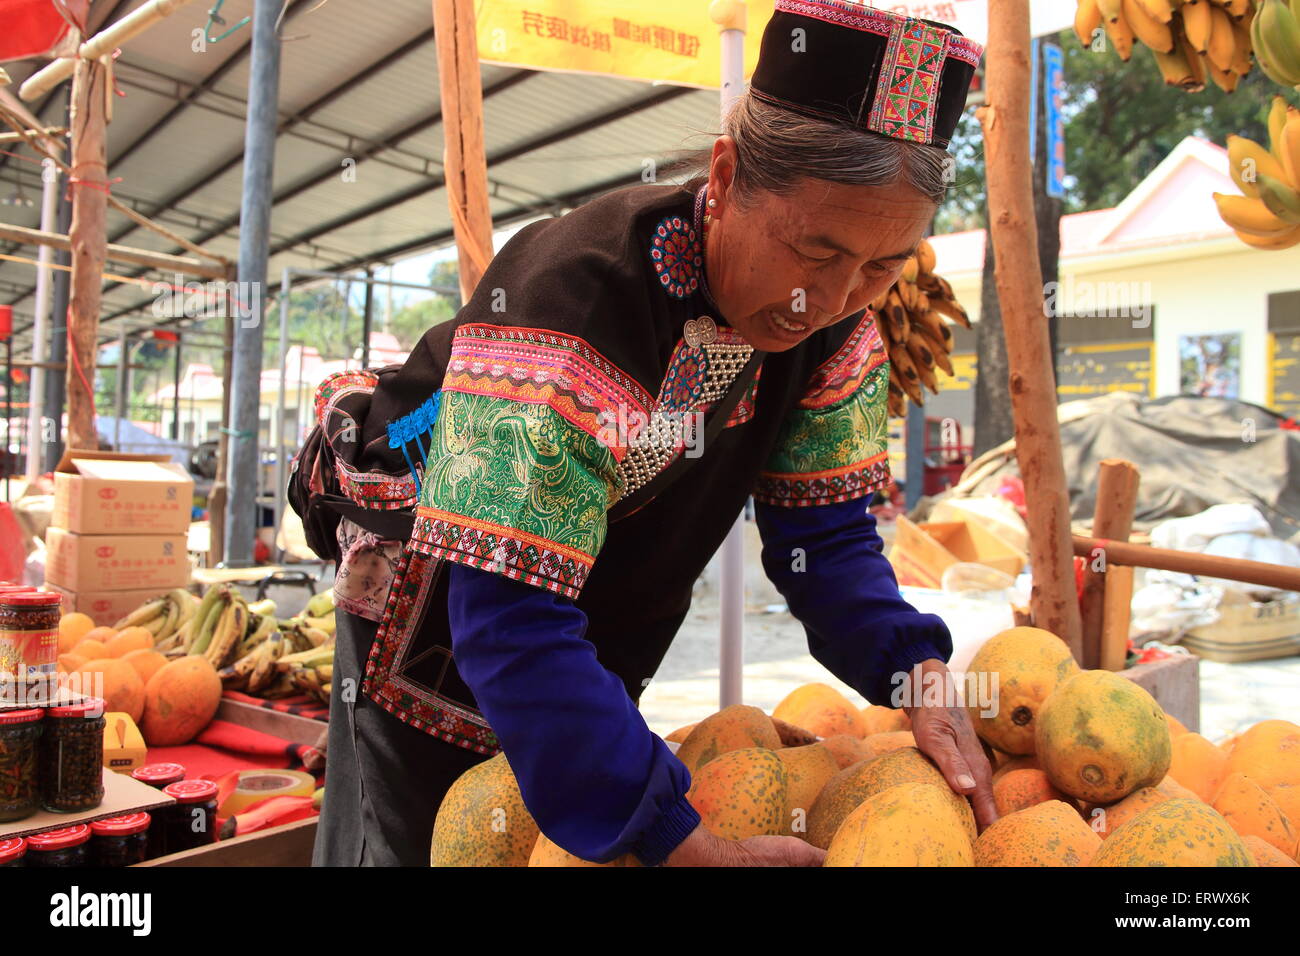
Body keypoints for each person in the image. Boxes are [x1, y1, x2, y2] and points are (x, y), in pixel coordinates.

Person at [306, 1, 993, 867]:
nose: (830, 299)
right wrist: (692, 846)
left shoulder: (841, 324)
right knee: (424, 840)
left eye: (882, 266)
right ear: (729, 175)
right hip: (438, 617)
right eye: (815, 254)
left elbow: (826, 536)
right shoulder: (576, 300)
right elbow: (509, 619)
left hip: (580, 641)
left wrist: (913, 671)